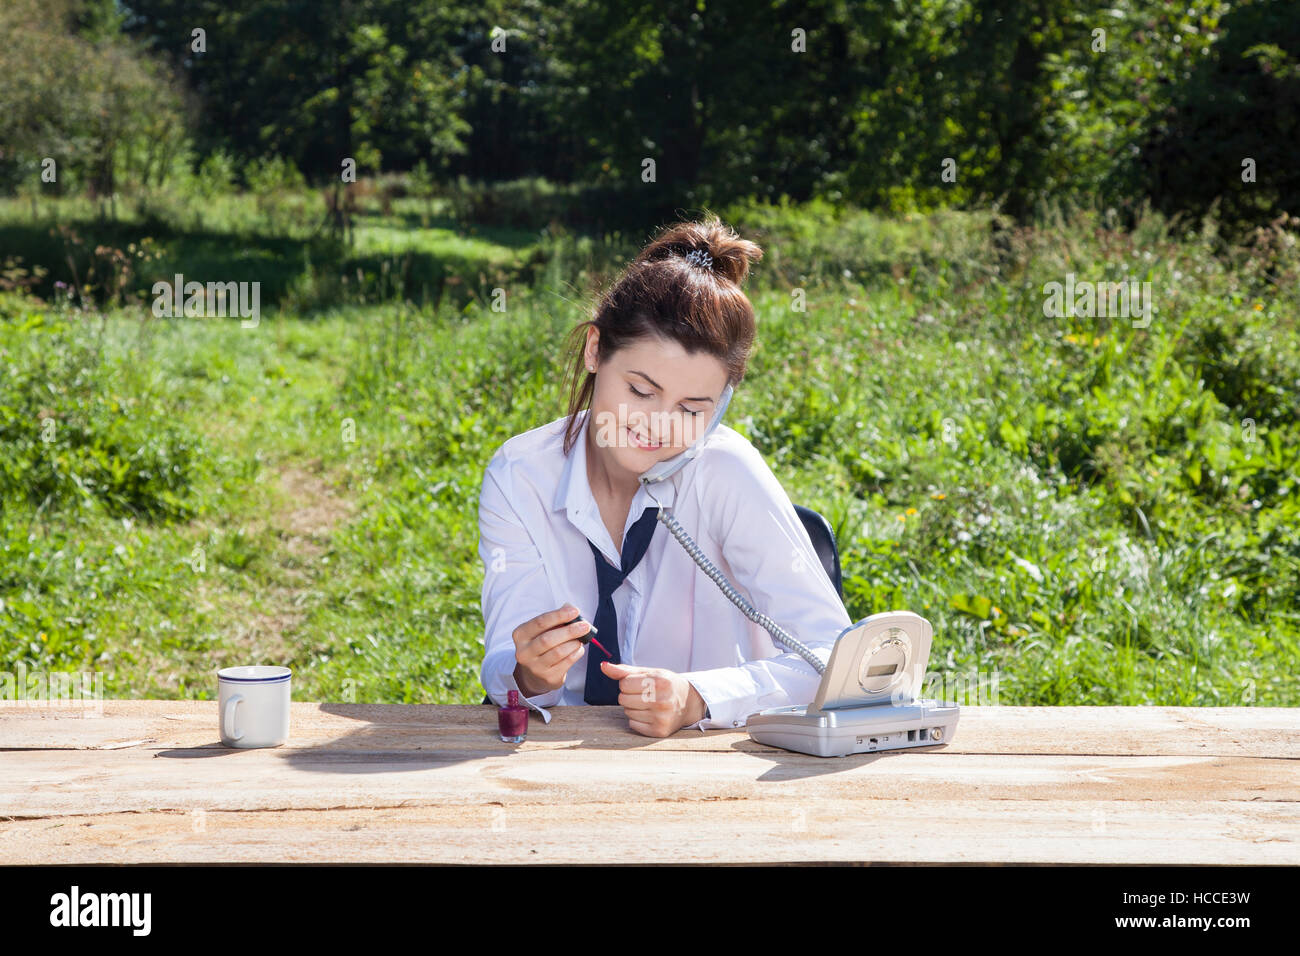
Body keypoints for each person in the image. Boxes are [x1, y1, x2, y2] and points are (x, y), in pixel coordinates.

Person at [478, 214, 851, 737]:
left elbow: (835, 658)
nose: (657, 426)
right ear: (594, 350)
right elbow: (506, 661)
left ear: (719, 408)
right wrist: (528, 671)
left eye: (691, 409)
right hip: (549, 759)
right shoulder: (519, 477)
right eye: (640, 390)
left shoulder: (725, 471)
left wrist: (701, 697)